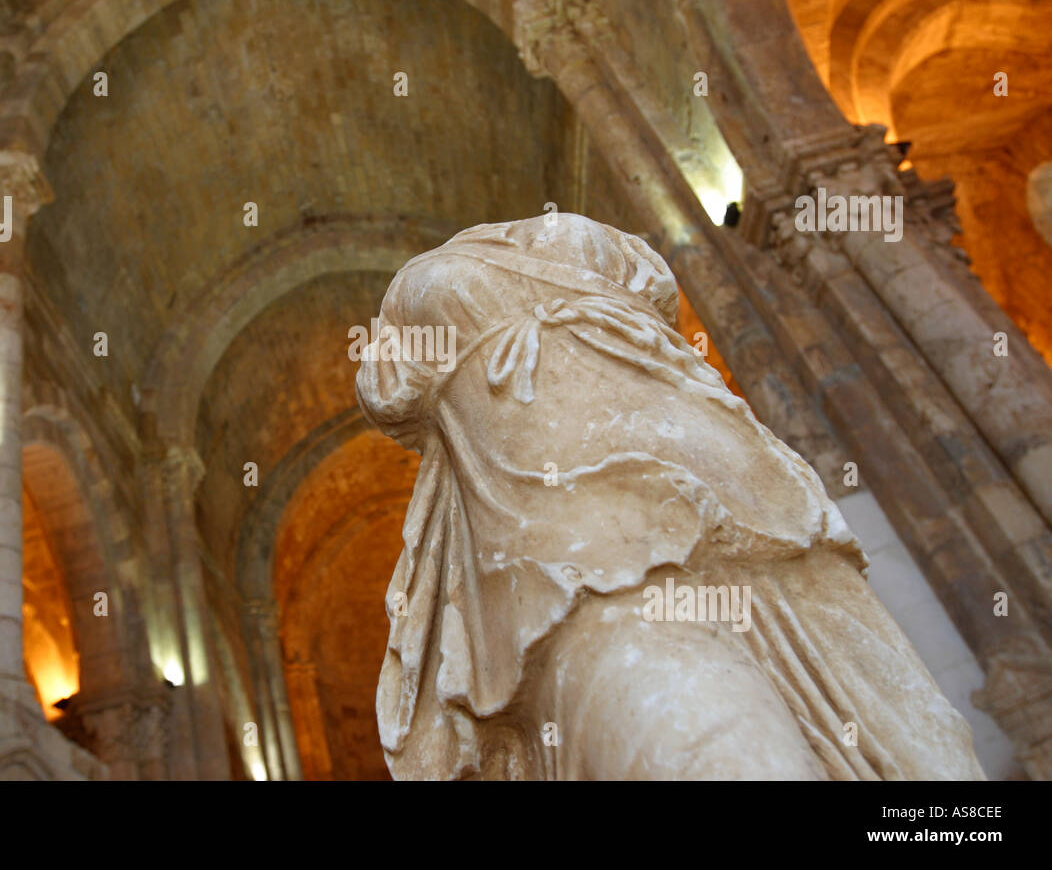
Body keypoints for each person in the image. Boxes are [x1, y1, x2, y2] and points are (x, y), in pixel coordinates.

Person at [355, 212, 984, 780]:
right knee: (710, 740)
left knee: (920, 757)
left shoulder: (427, 294)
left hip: (739, 518)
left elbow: (388, 391)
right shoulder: (488, 273)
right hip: (598, 551)